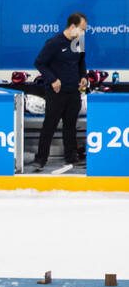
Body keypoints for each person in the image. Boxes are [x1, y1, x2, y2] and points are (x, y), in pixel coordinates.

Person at [32, 12, 89, 171]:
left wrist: (83, 76)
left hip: (74, 93)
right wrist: (53, 79)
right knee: (49, 126)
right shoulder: (54, 43)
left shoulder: (79, 41)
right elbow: (39, 63)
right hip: (56, 94)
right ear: (72, 27)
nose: (83, 33)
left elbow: (81, 61)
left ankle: (71, 157)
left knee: (70, 126)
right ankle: (41, 159)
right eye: (82, 29)